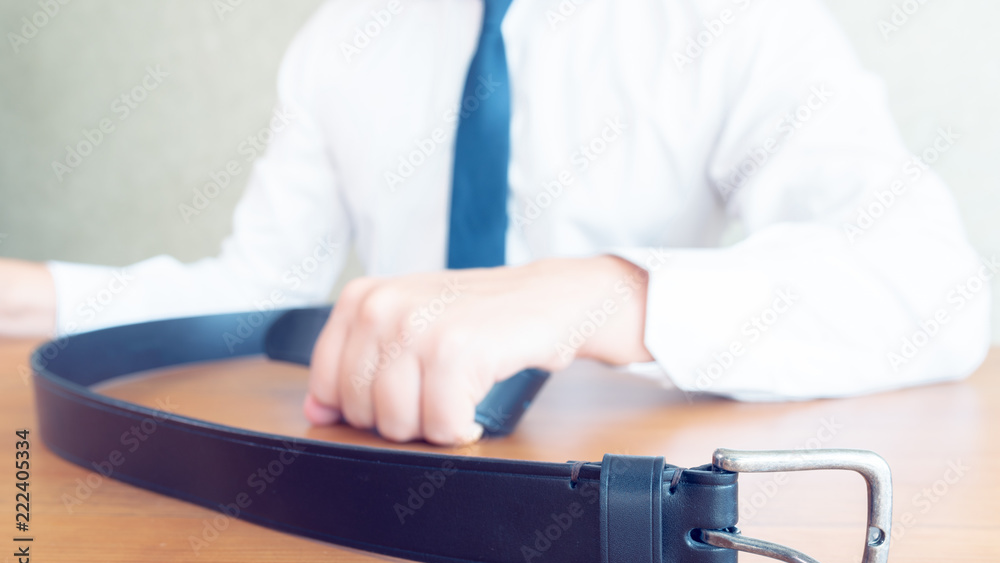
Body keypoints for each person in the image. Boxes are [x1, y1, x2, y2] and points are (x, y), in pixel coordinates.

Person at [0, 0, 990, 446]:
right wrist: (38, 290)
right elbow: (259, 296)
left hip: (613, 520)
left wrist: (596, 295)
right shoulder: (338, 42)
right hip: (366, 490)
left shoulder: (736, 23)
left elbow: (934, 289)